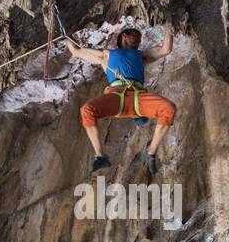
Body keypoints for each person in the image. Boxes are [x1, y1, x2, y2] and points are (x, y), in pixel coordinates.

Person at [67, 25, 176, 174]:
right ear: (124, 36)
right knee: (87, 110)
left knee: (169, 109)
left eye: (140, 38)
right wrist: (65, 37)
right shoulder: (106, 55)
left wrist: (169, 26)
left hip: (138, 98)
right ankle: (100, 155)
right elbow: (76, 51)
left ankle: (150, 151)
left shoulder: (141, 55)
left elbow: (166, 50)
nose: (139, 39)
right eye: (135, 36)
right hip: (117, 97)